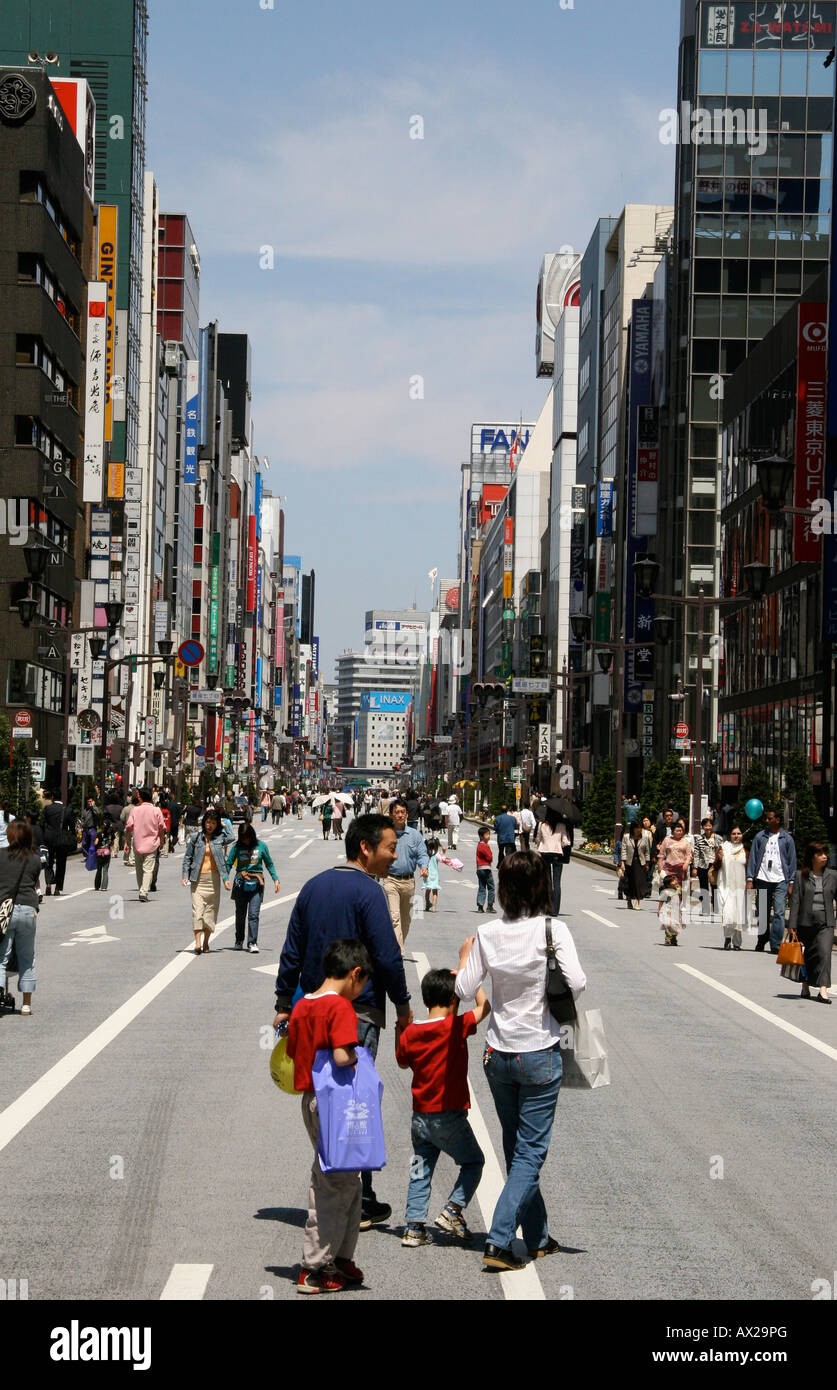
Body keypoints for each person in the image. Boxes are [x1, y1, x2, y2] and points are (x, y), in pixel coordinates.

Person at [274, 813, 413, 1231]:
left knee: (324, 1098)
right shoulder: (370, 893)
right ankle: (356, 1195)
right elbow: (387, 955)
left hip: (313, 1012)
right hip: (357, 1013)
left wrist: (283, 1000)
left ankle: (338, 1182)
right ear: (366, 849)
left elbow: (292, 946)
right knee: (354, 1102)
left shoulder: (313, 887)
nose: (394, 855)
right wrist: (403, 1005)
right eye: (390, 847)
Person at [455, 851, 586, 1272]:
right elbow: (578, 982)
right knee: (530, 1152)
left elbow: (463, 988)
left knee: (517, 1146)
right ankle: (498, 1240)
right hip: (539, 1052)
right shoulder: (553, 929)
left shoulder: (487, 932)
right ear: (541, 885)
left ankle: (539, 1235)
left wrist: (465, 957)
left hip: (498, 1055)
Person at [286, 938, 373, 1294]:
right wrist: (357, 1056)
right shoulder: (340, 1008)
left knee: (348, 1179)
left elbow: (293, 1051)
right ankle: (315, 1265)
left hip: (310, 1098)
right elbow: (340, 1056)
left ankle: (340, 1256)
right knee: (331, 1181)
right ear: (355, 973)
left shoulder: (302, 1004)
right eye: (362, 984)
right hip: (334, 1103)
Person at [397, 967, 489, 1247]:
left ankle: (414, 1227)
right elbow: (485, 1006)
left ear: (425, 1001)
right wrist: (471, 976)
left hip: (420, 1118)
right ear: (455, 1000)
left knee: (420, 1168)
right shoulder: (455, 1027)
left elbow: (402, 1061)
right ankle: (453, 1209)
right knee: (474, 1161)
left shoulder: (412, 1032)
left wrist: (402, 1028)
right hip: (448, 1116)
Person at [0, 820, 42, 1015]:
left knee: (2, 957)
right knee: (27, 957)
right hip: (28, 909)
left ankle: (0, 993)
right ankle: (26, 1005)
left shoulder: (1, 856)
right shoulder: (34, 858)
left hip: (5, 911)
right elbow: (34, 881)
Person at [789, 842, 836, 1004]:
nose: (824, 857)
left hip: (826, 923)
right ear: (812, 857)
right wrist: (792, 926)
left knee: (824, 953)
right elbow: (795, 901)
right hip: (805, 922)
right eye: (820, 854)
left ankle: (823, 989)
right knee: (807, 956)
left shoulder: (833, 875)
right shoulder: (800, 875)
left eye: (825, 854)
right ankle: (805, 985)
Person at [182, 808, 234, 954]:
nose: (209, 825)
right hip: (197, 880)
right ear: (204, 822)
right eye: (208, 822)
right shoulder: (196, 837)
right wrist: (185, 875)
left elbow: (232, 837)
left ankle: (206, 943)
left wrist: (225, 825)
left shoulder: (219, 839)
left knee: (210, 912)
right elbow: (187, 858)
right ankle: (197, 943)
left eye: (213, 823)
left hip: (214, 879)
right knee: (197, 911)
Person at [223, 821, 280, 952]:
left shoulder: (261, 846)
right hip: (240, 883)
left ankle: (252, 942)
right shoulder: (237, 847)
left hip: (256, 884)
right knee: (240, 914)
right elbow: (228, 864)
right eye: (242, 838)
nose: (245, 840)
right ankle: (239, 940)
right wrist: (226, 879)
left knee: (254, 914)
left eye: (247, 837)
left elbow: (269, 864)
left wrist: (275, 879)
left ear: (252, 835)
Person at [746, 808, 797, 954]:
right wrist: (750, 879)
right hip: (762, 878)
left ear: (777, 820)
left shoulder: (787, 839)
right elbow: (753, 858)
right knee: (762, 912)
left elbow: (792, 861)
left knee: (780, 912)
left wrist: (791, 882)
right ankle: (762, 939)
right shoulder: (760, 837)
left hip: (781, 879)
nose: (767, 821)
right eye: (767, 819)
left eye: (770, 818)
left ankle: (775, 944)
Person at [383, 799, 429, 952]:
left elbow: (422, 853)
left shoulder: (414, 835)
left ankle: (398, 944)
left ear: (407, 814)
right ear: (391, 815)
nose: (400, 815)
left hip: (408, 881)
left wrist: (423, 866)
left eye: (403, 812)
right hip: (391, 880)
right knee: (394, 918)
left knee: (405, 920)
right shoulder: (385, 835)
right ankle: (398, 951)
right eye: (397, 812)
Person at [125, 788, 167, 903]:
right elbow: (162, 828)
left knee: (139, 869)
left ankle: (141, 890)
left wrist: (126, 842)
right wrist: (162, 841)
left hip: (138, 844)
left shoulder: (135, 810)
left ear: (141, 798)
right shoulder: (156, 810)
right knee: (148, 869)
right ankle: (144, 892)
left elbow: (128, 827)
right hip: (152, 844)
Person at [714, 825, 747, 951]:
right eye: (734, 833)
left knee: (738, 914)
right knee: (727, 913)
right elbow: (715, 866)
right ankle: (727, 938)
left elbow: (749, 867)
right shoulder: (724, 847)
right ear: (730, 835)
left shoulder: (745, 850)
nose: (736, 836)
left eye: (738, 833)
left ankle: (737, 942)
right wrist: (719, 858)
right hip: (726, 885)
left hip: (740, 886)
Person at [534, 806, 572, 915]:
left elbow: (538, 839)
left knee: (547, 881)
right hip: (557, 854)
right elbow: (565, 842)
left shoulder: (542, 825)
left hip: (544, 853)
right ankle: (555, 910)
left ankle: (547, 907)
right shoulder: (561, 826)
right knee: (557, 883)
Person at [39, 790, 75, 896]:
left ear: (53, 798)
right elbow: (72, 827)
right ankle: (58, 888)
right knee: (61, 863)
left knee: (48, 861)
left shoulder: (47, 809)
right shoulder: (68, 810)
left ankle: (49, 883)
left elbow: (41, 823)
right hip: (63, 839)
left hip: (49, 838)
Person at [692, 816, 723, 918]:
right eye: (706, 826)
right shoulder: (699, 839)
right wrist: (695, 867)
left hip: (715, 865)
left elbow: (722, 852)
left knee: (715, 887)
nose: (708, 828)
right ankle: (705, 908)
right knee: (704, 887)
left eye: (710, 825)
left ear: (712, 826)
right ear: (702, 827)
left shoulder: (718, 838)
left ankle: (716, 908)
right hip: (703, 865)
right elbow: (696, 854)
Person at [619, 822, 650, 911]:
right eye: (637, 828)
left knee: (639, 883)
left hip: (640, 863)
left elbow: (647, 851)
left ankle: (637, 902)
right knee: (629, 882)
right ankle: (629, 900)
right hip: (629, 863)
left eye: (640, 828)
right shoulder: (626, 837)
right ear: (633, 828)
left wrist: (647, 863)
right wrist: (623, 862)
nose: (639, 830)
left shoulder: (645, 838)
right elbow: (624, 850)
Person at [658, 819, 692, 888]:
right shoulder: (667, 840)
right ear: (673, 832)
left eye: (681, 831)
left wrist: (686, 863)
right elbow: (661, 855)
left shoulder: (685, 842)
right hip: (669, 867)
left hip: (681, 869)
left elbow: (689, 855)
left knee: (679, 888)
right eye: (677, 831)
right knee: (668, 887)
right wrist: (660, 866)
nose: (679, 832)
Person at [476, 825, 496, 914]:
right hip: (486, 868)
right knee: (491, 887)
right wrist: (491, 858)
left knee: (482, 887)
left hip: (479, 869)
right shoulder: (485, 846)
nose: (489, 837)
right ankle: (490, 905)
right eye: (487, 835)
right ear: (481, 836)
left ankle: (480, 906)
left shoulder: (479, 845)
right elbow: (489, 857)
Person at [94, 812, 116, 892]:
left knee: (99, 870)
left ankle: (97, 886)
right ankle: (104, 887)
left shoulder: (99, 834)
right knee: (105, 870)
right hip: (107, 852)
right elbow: (112, 843)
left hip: (99, 852)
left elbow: (95, 843)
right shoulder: (111, 834)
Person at [658, 874, 682, 946]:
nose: (675, 882)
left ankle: (674, 938)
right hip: (668, 911)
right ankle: (668, 938)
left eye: (675, 880)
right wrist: (659, 910)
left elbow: (683, 894)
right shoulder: (666, 892)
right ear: (668, 885)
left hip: (676, 912)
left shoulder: (678, 890)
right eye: (673, 881)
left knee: (675, 925)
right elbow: (661, 901)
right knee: (668, 924)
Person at [424, 838, 440, 913]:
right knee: (435, 891)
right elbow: (442, 859)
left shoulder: (426, 854)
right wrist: (444, 852)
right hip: (435, 875)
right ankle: (434, 905)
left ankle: (427, 903)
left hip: (427, 874)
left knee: (427, 890)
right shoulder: (436, 854)